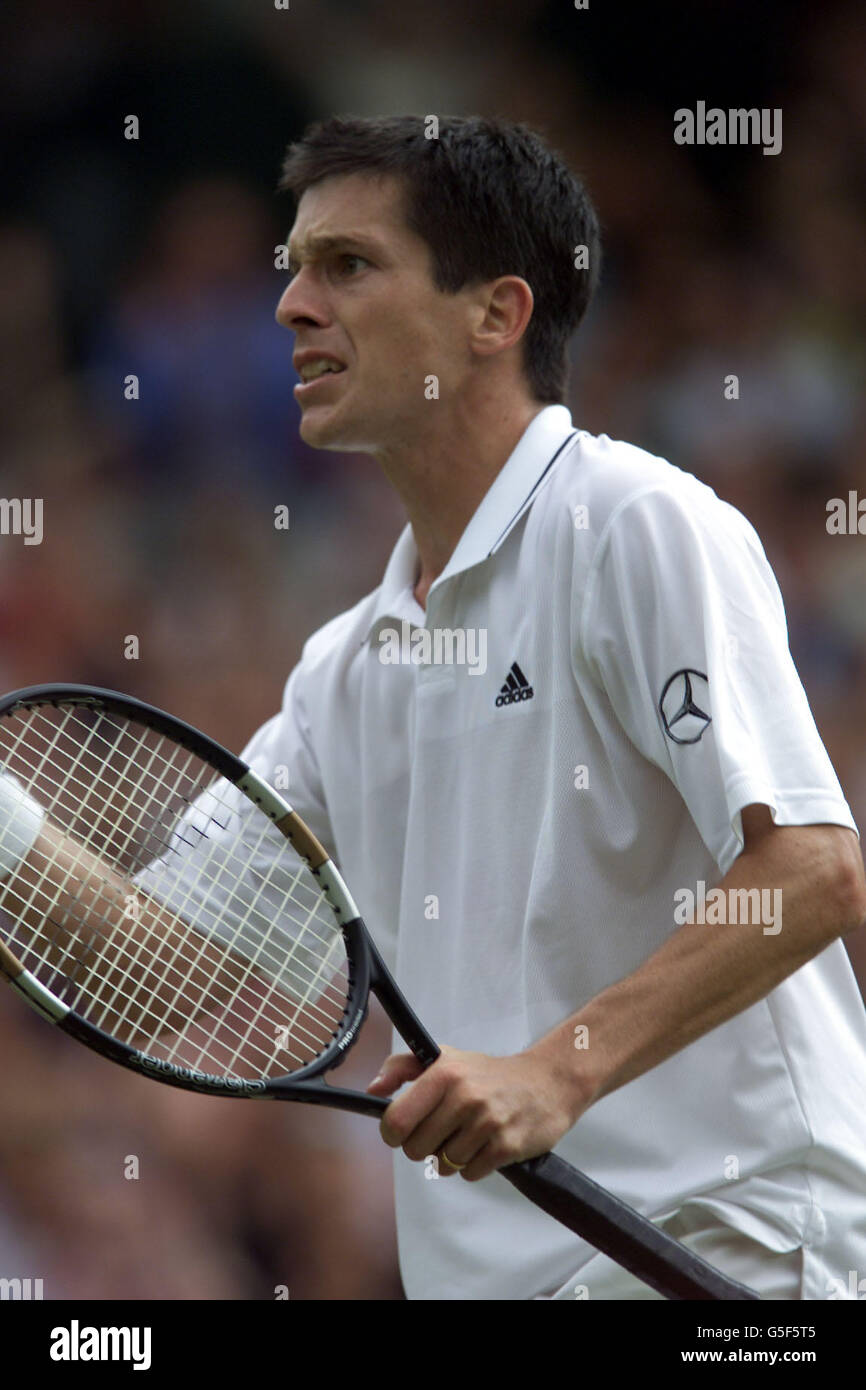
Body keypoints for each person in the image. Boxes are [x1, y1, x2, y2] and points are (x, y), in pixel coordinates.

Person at [260, 113, 866, 1300]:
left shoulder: (637, 523)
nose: (291, 304)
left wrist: (556, 1071)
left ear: (495, 315)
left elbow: (811, 866)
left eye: (346, 265)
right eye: (292, 266)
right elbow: (156, 944)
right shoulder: (338, 672)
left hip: (724, 1252)